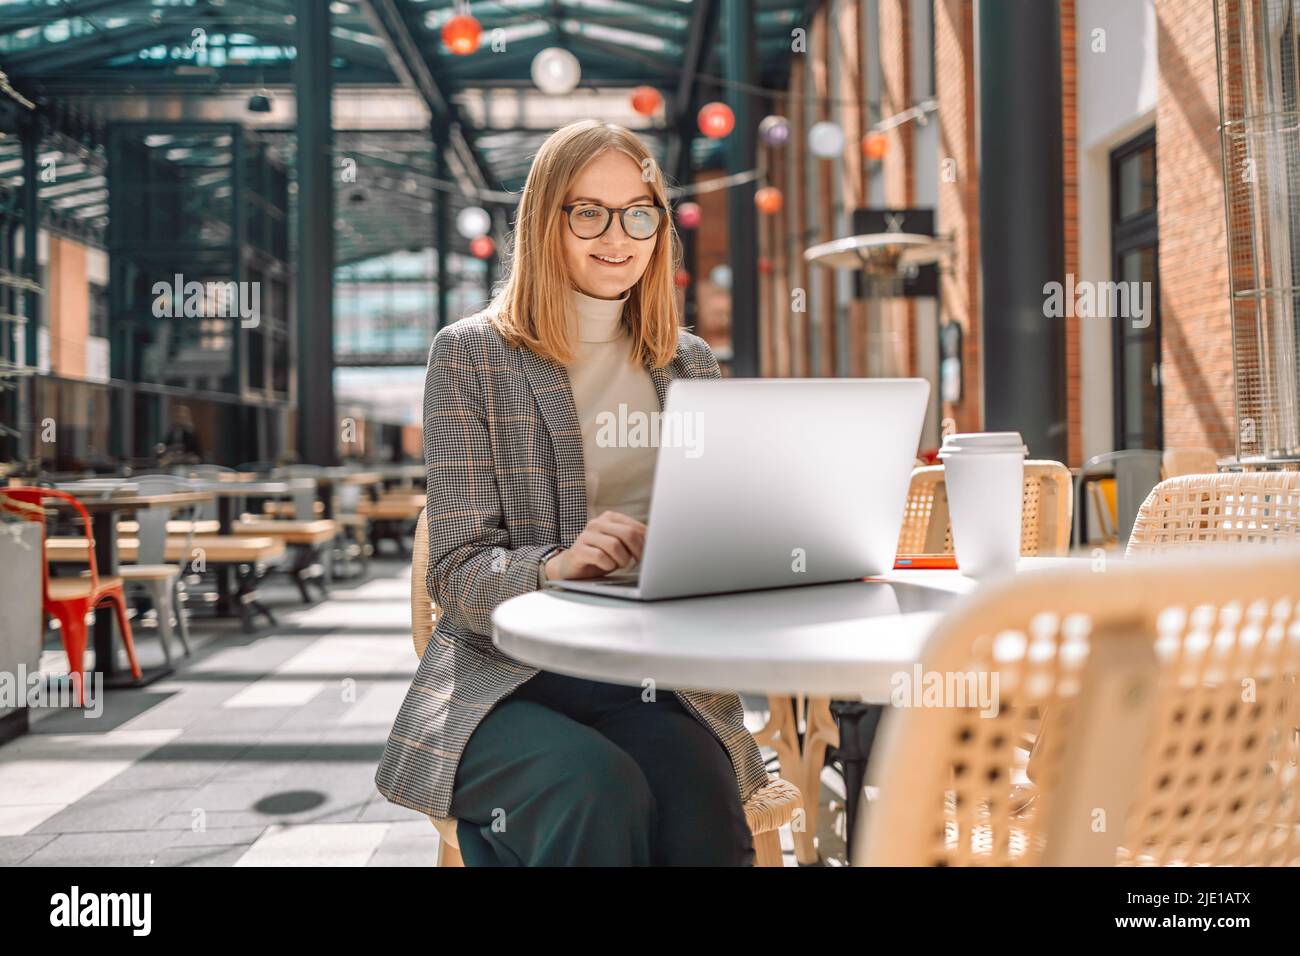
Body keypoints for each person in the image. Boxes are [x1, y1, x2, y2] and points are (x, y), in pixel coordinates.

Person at [375, 121, 769, 865]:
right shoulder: (471, 356)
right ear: (543, 219)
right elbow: (455, 574)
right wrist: (554, 566)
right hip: (505, 679)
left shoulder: (687, 363)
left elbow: (716, 529)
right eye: (588, 211)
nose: (616, 236)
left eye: (639, 213)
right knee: (595, 788)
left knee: (702, 804)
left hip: (644, 676)